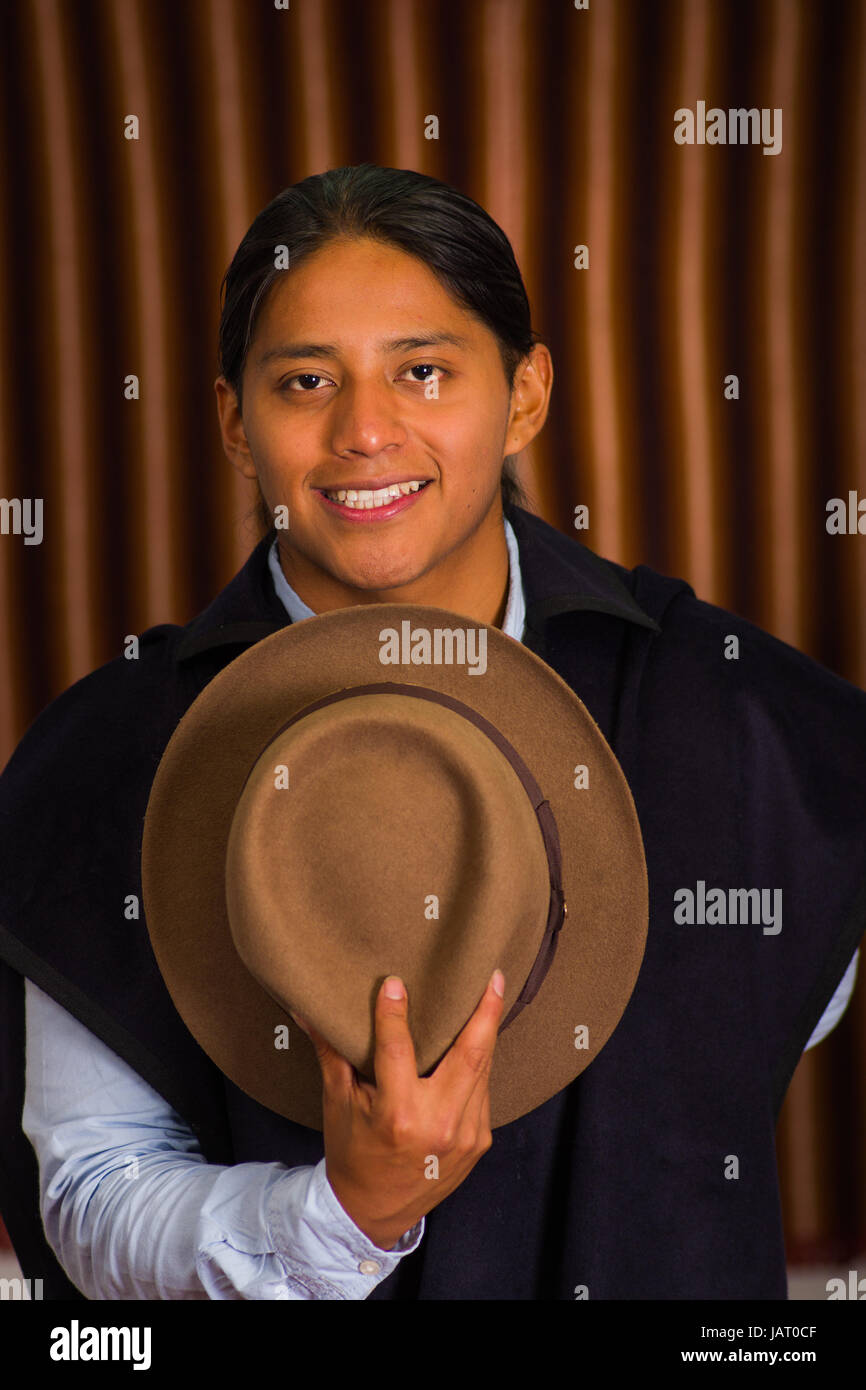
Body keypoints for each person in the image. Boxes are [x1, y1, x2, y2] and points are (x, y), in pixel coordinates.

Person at [0, 164, 862, 1301]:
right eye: (305, 380)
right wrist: (344, 1211)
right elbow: (93, 1199)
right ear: (233, 421)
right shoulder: (108, 754)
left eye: (421, 371)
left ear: (523, 394)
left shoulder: (738, 716)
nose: (365, 431)